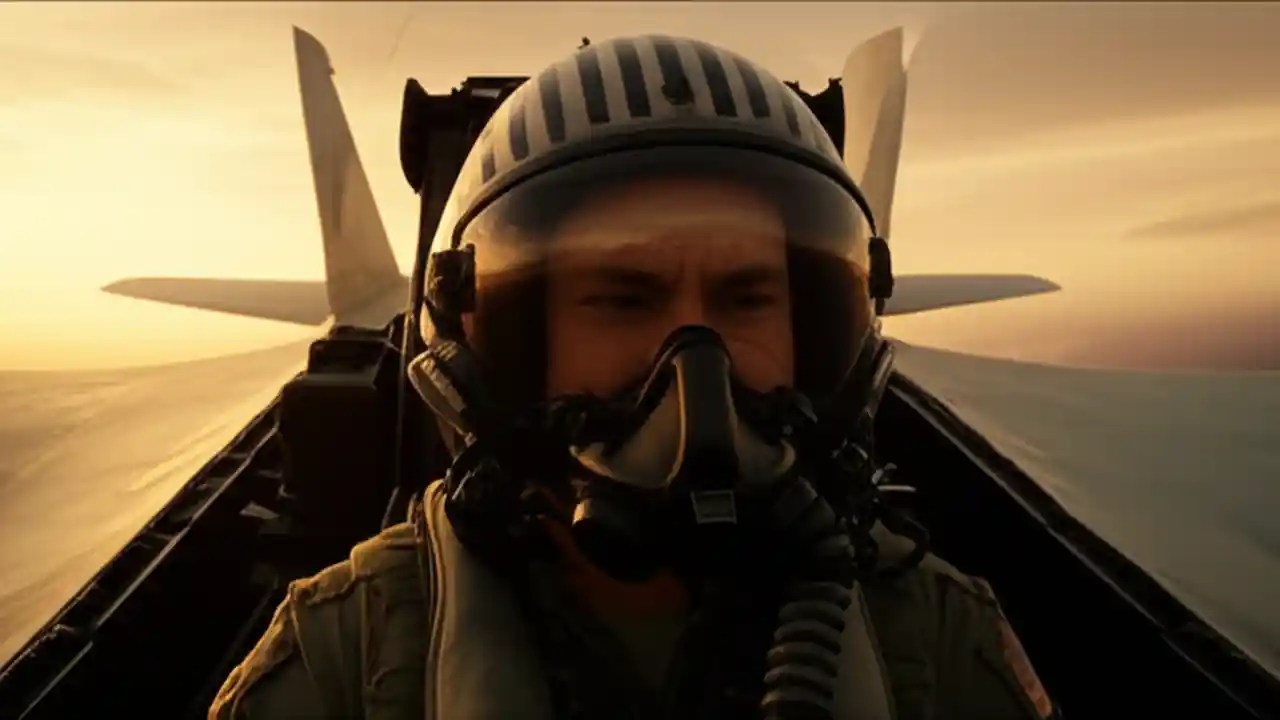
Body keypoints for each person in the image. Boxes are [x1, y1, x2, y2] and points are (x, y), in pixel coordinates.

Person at [209, 35, 1058, 720]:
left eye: (746, 296)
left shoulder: (939, 637)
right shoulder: (347, 652)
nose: (696, 365)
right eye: (622, 297)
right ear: (490, 353)